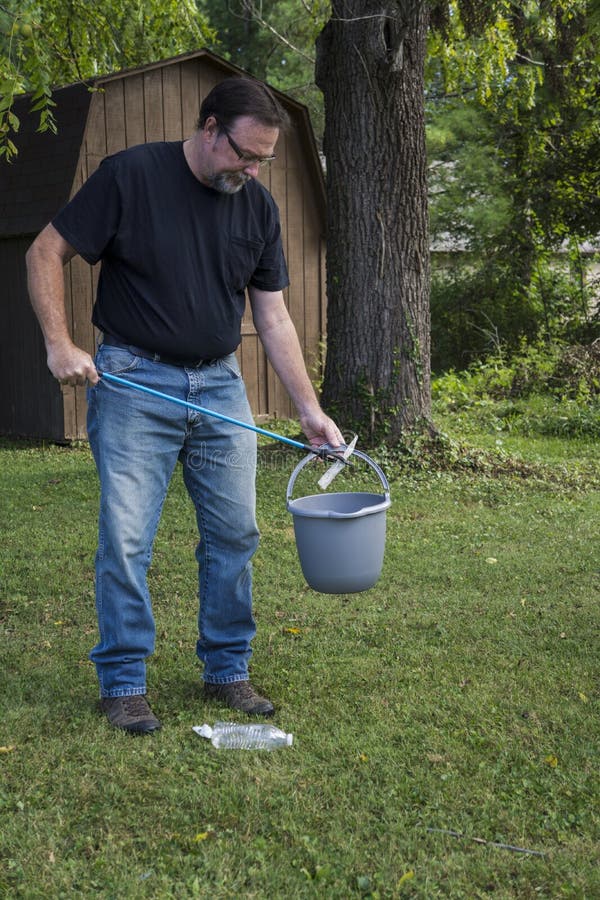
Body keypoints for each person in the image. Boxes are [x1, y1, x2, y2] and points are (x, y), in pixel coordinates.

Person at [26, 77, 343, 734]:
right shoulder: (130, 177)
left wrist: (309, 409)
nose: (251, 170)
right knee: (128, 539)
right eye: (243, 154)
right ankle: (123, 682)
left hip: (220, 385)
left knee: (235, 534)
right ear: (208, 128)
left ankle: (227, 669)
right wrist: (59, 342)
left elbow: (274, 316)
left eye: (263, 160)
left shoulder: (257, 207)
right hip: (135, 380)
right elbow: (44, 251)